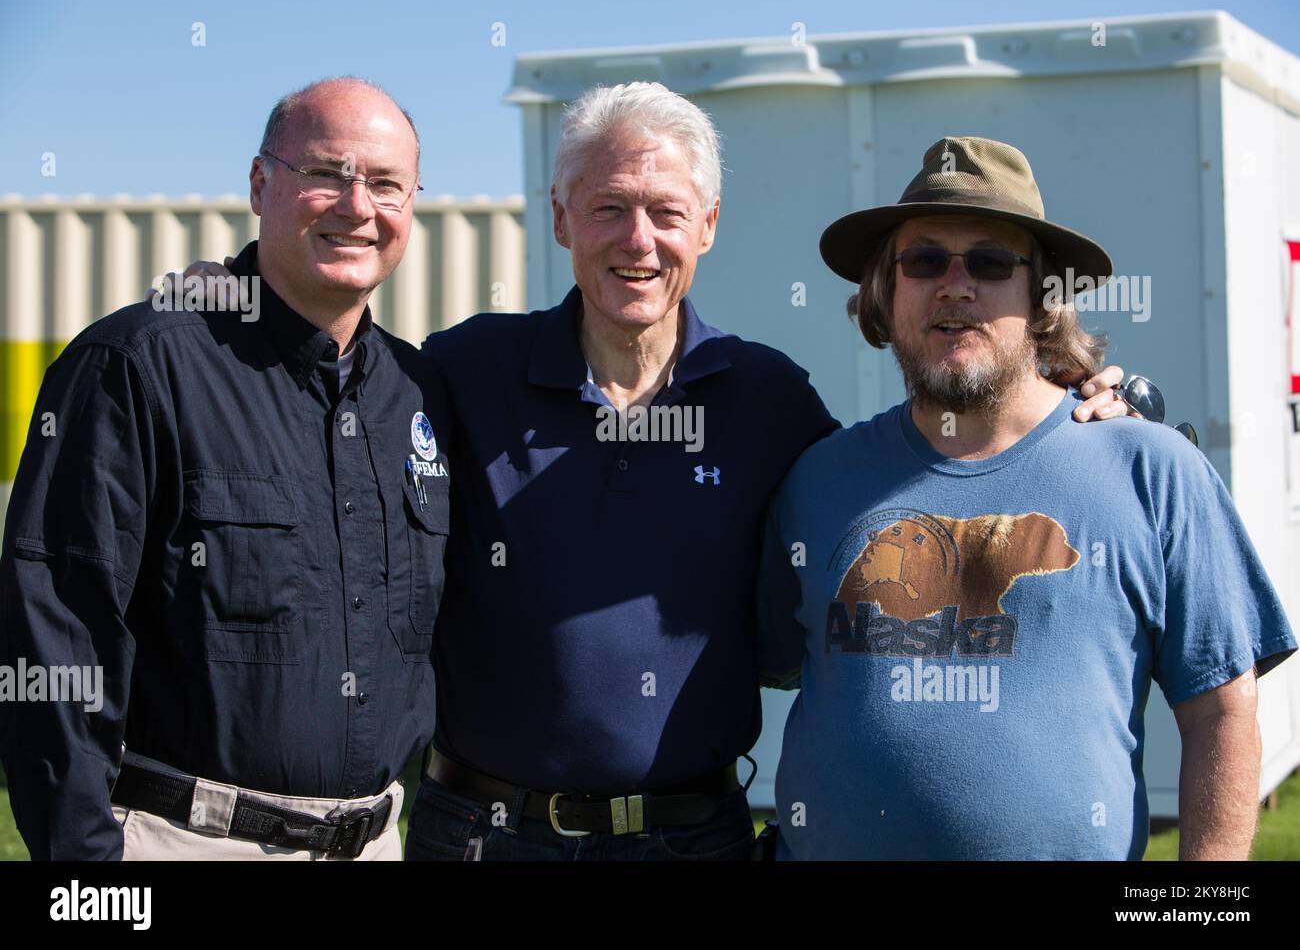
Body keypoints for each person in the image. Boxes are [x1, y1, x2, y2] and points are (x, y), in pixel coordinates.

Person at [404, 86, 1131, 860]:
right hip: (484, 835)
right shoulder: (462, 370)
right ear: (560, 218)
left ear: (709, 225)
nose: (638, 240)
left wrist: (1083, 403)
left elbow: (912, 481)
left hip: (691, 839)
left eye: (667, 212)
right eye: (609, 207)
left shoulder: (766, 396)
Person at [757, 136, 1297, 860]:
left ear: (1044, 299)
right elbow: (766, 664)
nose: (955, 284)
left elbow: (1223, 713)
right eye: (923, 261)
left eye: (988, 261)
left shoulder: (1153, 470)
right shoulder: (818, 479)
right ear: (886, 293)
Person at [0, 77, 452, 860]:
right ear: (259, 184)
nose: (357, 205)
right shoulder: (138, 367)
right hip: (185, 843)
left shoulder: (421, 395)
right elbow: (56, 637)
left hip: (378, 844)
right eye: (325, 174)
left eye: (385, 183)